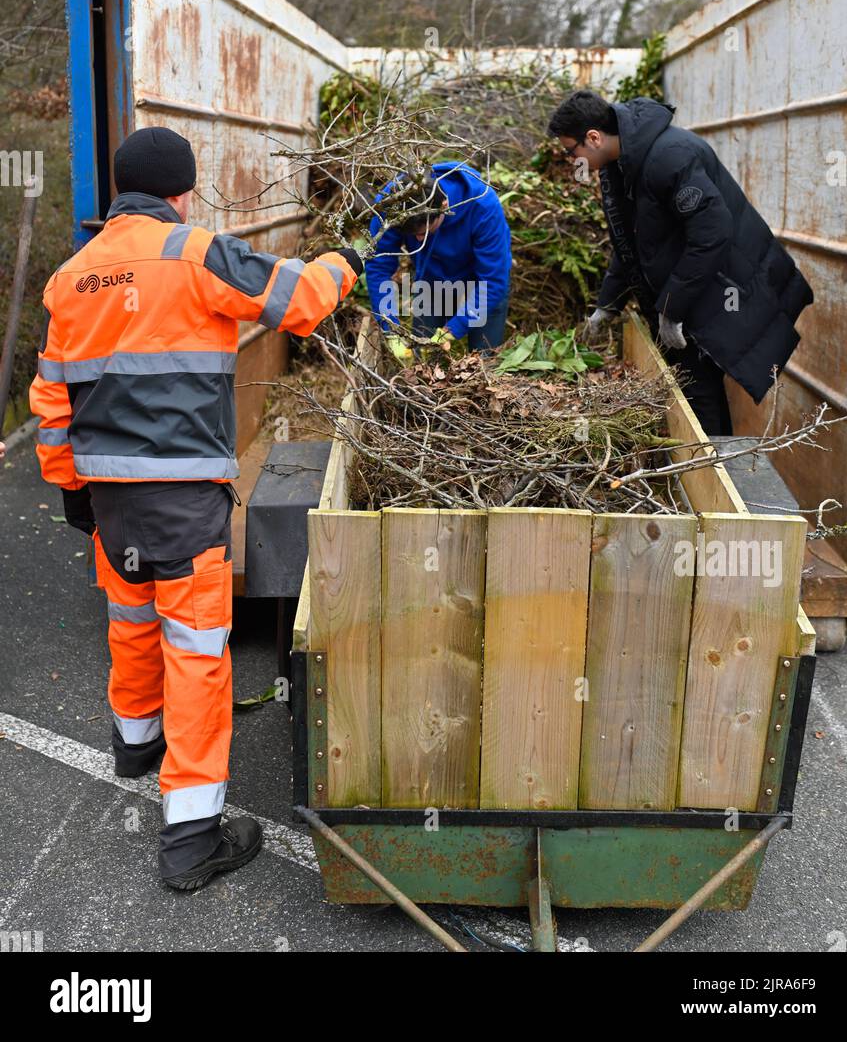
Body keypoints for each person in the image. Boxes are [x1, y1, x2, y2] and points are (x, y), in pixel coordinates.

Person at [29, 126, 362, 890]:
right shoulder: (196, 251)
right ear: (180, 192)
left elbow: (51, 400)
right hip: (182, 500)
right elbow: (301, 302)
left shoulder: (72, 275)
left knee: (132, 623)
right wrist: (348, 260)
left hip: (109, 501)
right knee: (198, 655)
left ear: (119, 194)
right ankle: (190, 840)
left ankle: (135, 745)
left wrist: (71, 488)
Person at [548, 89, 813, 434]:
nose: (572, 160)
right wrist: (606, 307)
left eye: (572, 151)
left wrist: (672, 307)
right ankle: (702, 466)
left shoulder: (669, 157)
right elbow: (629, 245)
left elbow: (713, 234)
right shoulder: (619, 164)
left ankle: (711, 473)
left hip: (725, 287)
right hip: (696, 287)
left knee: (699, 389)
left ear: (594, 138)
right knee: (694, 387)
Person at [365, 162, 511, 356]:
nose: (418, 239)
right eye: (412, 235)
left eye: (424, 232)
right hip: (431, 283)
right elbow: (378, 266)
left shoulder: (483, 205)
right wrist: (390, 328)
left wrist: (451, 331)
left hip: (482, 286)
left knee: (483, 361)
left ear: (444, 206)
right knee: (422, 357)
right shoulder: (392, 203)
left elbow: (493, 281)